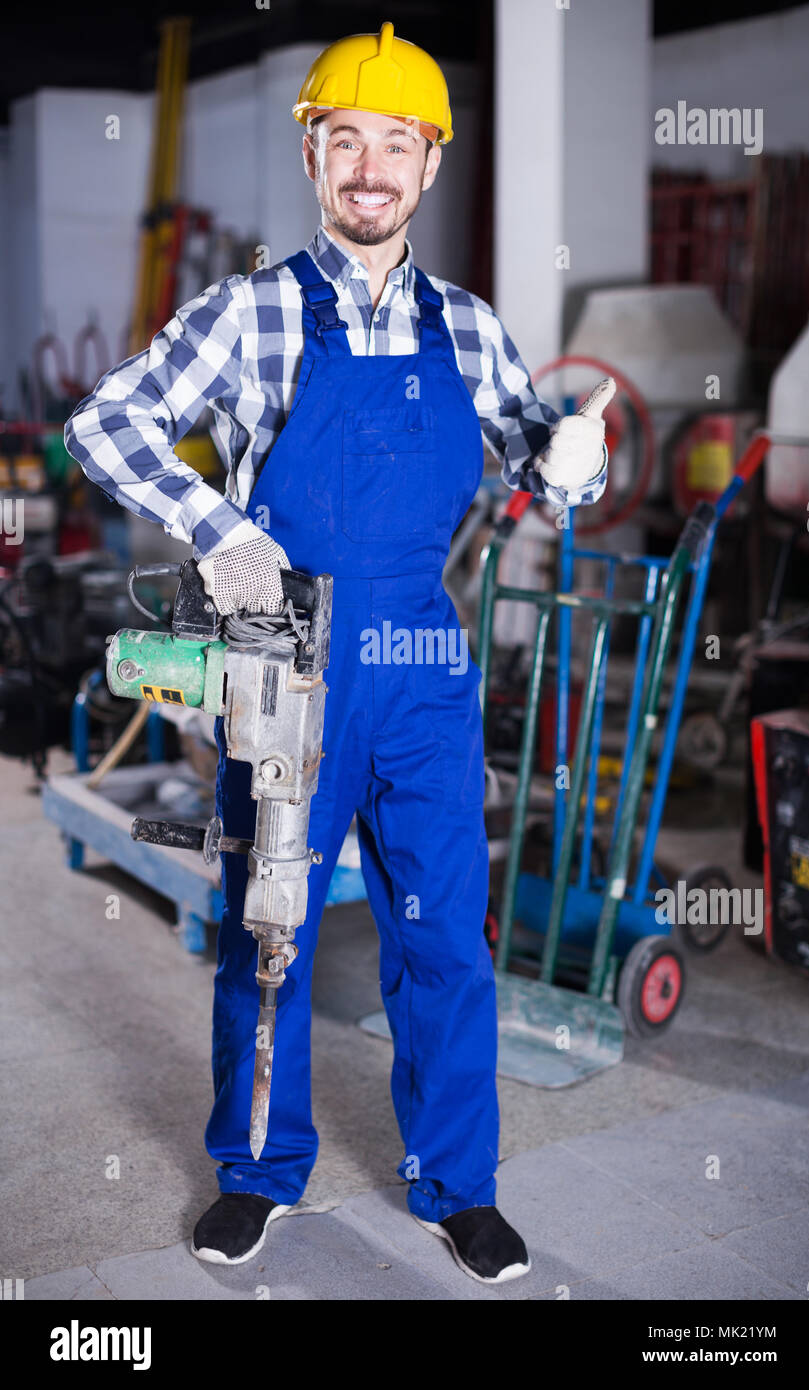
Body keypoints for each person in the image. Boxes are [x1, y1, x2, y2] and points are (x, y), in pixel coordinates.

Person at [65, 21, 612, 1286]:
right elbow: (106, 421)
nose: (371, 168)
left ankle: (456, 1187)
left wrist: (574, 467)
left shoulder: (469, 330)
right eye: (345, 141)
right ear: (313, 159)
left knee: (444, 939)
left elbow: (549, 464)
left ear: (429, 166)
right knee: (274, 932)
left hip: (422, 674)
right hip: (285, 671)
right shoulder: (251, 309)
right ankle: (258, 1173)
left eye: (397, 145)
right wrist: (214, 526)